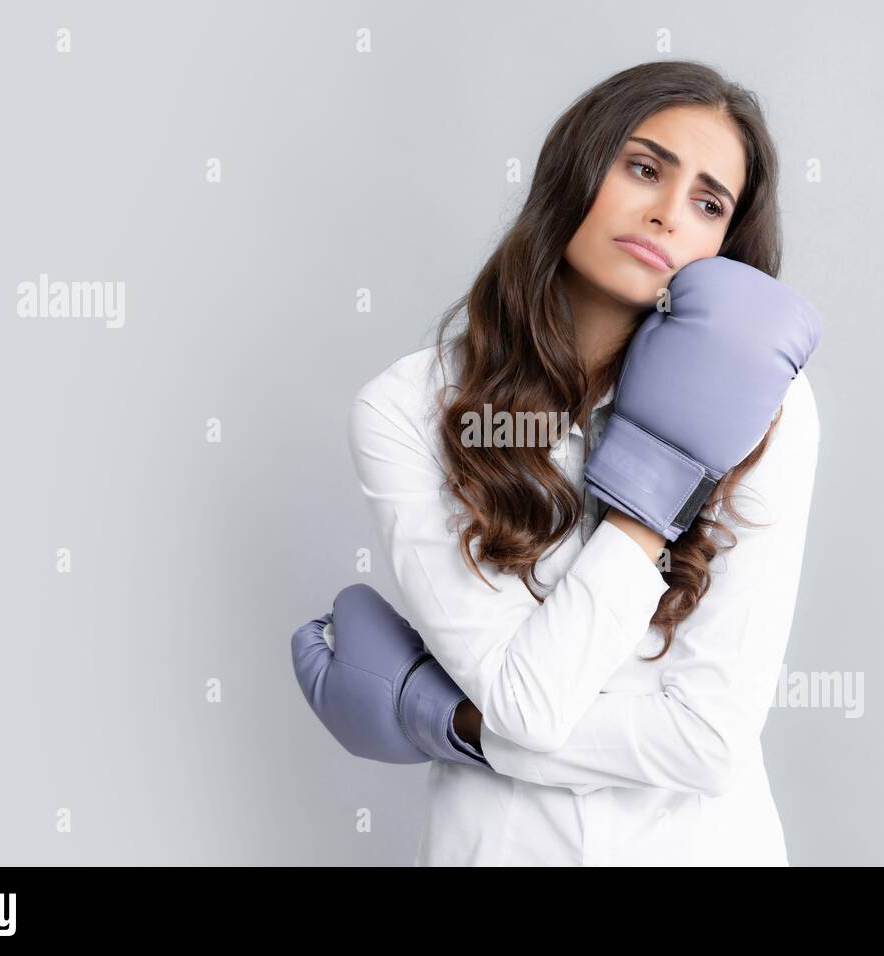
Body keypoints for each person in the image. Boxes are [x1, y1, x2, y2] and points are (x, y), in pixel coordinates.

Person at [316, 59, 821, 866]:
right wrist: (651, 504)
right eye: (644, 168)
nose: (666, 214)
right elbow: (529, 703)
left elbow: (707, 740)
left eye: (707, 204)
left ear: (724, 245)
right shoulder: (406, 409)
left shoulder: (768, 404)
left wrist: (455, 724)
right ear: (575, 167)